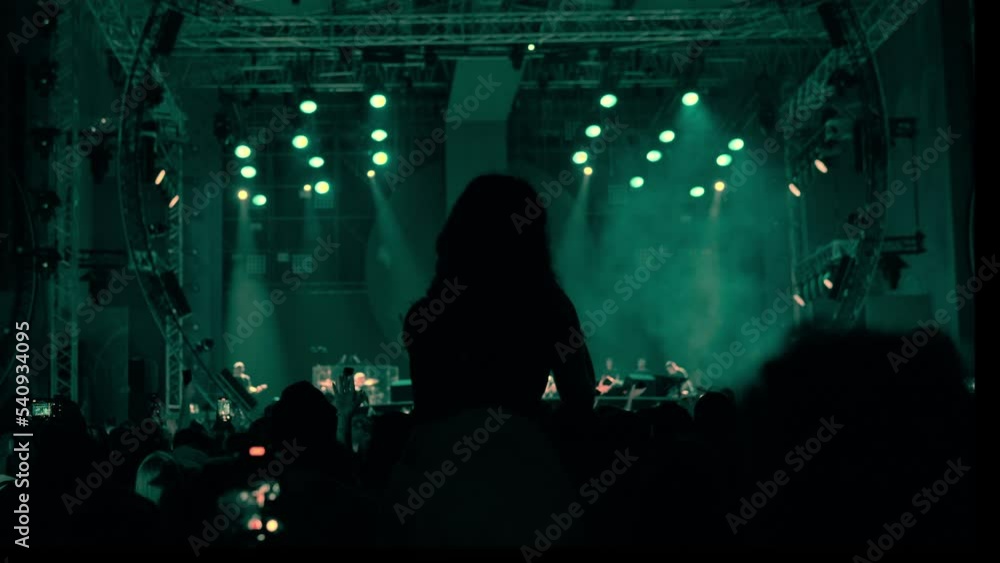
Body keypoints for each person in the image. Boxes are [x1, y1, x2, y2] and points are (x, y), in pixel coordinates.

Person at [404, 174, 596, 419]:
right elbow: (581, 396)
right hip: (520, 452)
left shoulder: (423, 317)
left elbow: (426, 413)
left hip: (438, 453)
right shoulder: (549, 310)